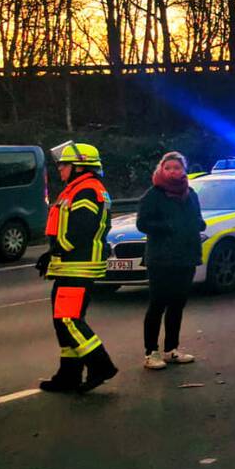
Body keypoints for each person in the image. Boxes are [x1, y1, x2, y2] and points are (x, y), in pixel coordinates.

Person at [40, 141, 118, 394]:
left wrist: (55, 250)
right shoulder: (80, 189)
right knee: (62, 321)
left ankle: (100, 365)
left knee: (68, 320)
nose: (60, 169)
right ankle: (68, 374)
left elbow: (81, 229)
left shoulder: (85, 191)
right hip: (72, 266)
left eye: (64, 165)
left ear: (79, 167)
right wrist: (51, 254)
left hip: (78, 267)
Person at [136, 152, 205, 370]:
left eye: (177, 167)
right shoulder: (153, 195)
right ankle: (151, 352)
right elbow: (142, 223)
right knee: (157, 304)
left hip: (186, 257)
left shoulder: (190, 193)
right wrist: (168, 227)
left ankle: (171, 349)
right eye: (169, 168)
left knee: (178, 304)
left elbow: (197, 218)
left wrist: (198, 225)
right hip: (161, 258)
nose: (173, 171)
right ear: (161, 170)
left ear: (184, 170)